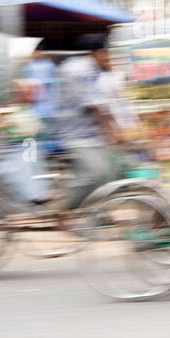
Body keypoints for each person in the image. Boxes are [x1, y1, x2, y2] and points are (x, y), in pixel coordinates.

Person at [55, 33, 125, 208]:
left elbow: (106, 104)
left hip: (91, 134)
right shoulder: (79, 69)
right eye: (108, 54)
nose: (111, 59)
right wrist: (114, 131)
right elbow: (95, 106)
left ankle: (95, 211)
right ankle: (63, 207)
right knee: (97, 173)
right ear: (98, 53)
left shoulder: (93, 70)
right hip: (76, 135)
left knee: (112, 172)